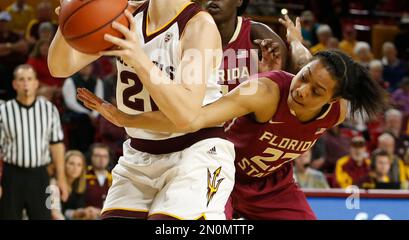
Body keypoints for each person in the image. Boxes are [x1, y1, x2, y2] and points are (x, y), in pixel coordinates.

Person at [78, 46, 386, 220]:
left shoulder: (337, 112)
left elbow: (320, 72)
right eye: (303, 77)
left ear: (332, 99)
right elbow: (193, 119)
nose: (302, 91)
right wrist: (126, 118)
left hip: (273, 185)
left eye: (316, 91)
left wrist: (298, 46)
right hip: (221, 175)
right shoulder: (264, 91)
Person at [49, 0, 236, 220]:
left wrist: (138, 58)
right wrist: (67, 21)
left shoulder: (199, 27)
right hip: (139, 155)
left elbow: (185, 115)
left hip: (195, 153)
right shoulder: (128, 14)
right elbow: (60, 67)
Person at [205, 0, 311, 93]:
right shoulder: (187, 30)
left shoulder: (259, 34)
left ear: (240, 0)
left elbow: (303, 74)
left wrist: (296, 43)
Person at [0, 64, 67, 219]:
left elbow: (57, 145)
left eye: (29, 79)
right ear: (14, 84)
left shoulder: (49, 109)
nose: (25, 84)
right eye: (21, 79)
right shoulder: (4, 111)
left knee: (43, 215)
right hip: (12, 175)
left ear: (36, 83)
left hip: (40, 175)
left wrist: (61, 178)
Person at [62, 64, 104, 153]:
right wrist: (87, 113)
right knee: (83, 120)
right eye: (84, 66)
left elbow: (99, 101)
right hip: (75, 114)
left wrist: (94, 114)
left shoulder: (97, 81)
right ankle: (80, 151)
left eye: (88, 66)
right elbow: (70, 103)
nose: (86, 68)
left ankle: (93, 151)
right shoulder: (70, 81)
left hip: (94, 114)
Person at [51, 150, 100, 220]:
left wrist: (86, 211)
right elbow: (54, 212)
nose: (75, 168)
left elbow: (77, 209)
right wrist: (74, 213)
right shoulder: (54, 183)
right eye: (71, 163)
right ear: (63, 165)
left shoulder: (80, 185)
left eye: (79, 165)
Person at [84, 143, 112, 210]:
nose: (101, 159)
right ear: (91, 157)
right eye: (97, 156)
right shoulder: (83, 176)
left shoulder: (115, 177)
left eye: (105, 156)